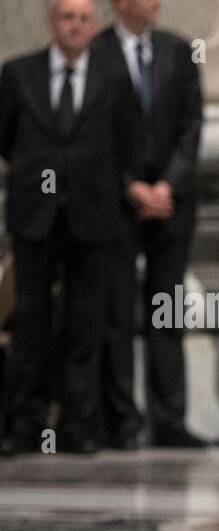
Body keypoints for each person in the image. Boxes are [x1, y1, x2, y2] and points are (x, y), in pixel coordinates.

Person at [0, 0, 142, 457]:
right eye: (67, 17)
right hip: (35, 217)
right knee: (31, 319)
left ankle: (79, 425)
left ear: (94, 25)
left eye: (84, 18)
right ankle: (25, 423)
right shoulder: (18, 73)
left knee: (87, 324)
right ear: (51, 22)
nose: (76, 26)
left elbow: (129, 145)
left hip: (92, 218)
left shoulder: (113, 78)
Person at [93, 0, 206, 450]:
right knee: (116, 312)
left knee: (167, 309)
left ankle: (170, 418)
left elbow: (192, 123)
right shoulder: (96, 51)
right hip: (114, 203)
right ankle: (121, 418)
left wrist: (166, 185)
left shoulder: (181, 51)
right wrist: (131, 186)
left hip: (172, 203)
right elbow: (92, 128)